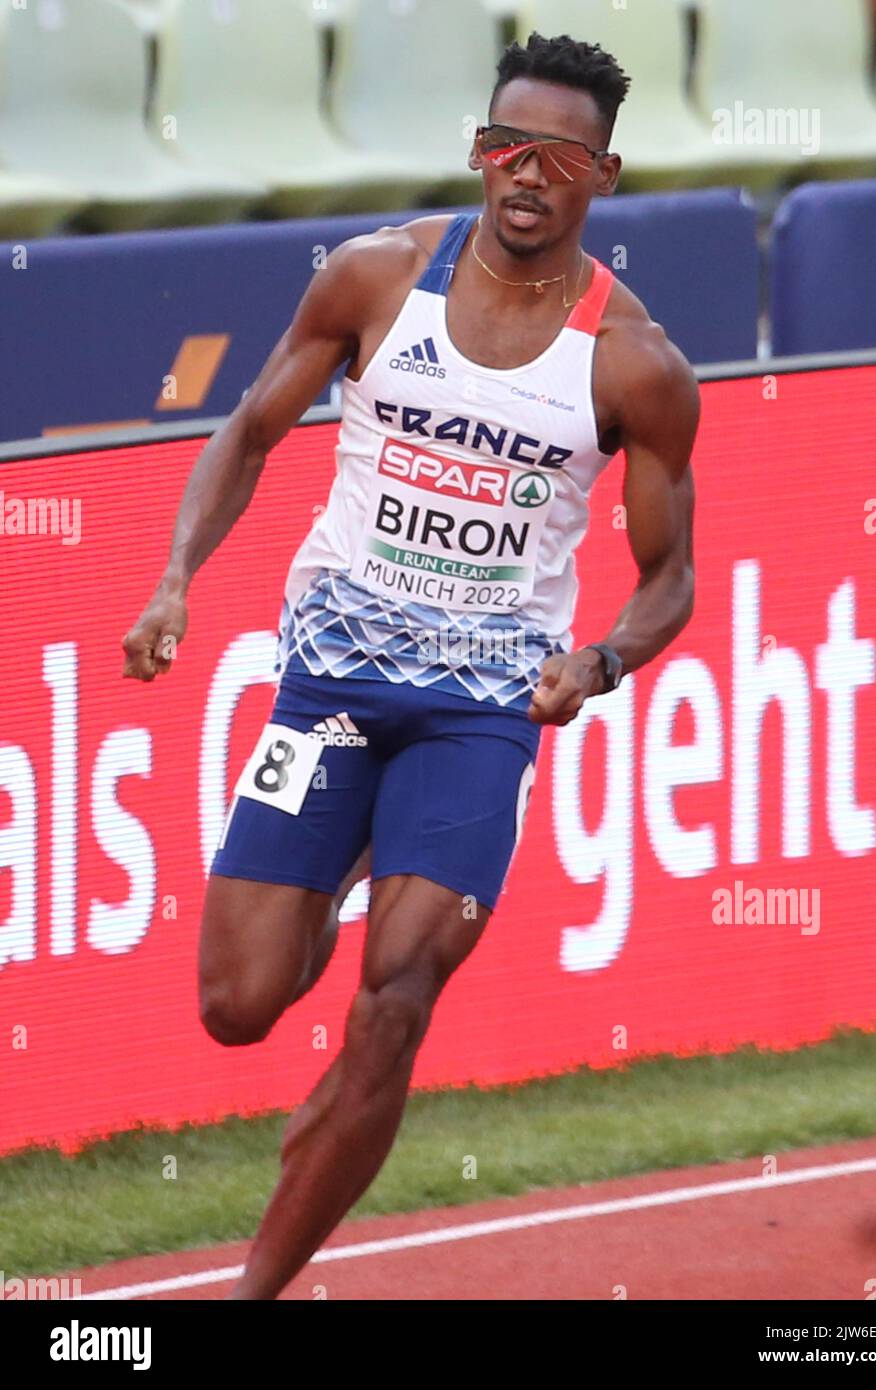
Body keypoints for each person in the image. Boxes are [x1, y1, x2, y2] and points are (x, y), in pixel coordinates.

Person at [122, 32, 698, 1300]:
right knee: (236, 1000)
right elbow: (251, 425)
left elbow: (673, 579)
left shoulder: (634, 362)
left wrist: (598, 662)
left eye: (555, 153)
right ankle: (338, 878)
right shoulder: (376, 278)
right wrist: (175, 579)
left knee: (399, 996)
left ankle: (256, 1287)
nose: (524, 172)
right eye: (504, 144)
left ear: (602, 173)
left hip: (483, 714)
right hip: (329, 686)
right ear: (479, 151)